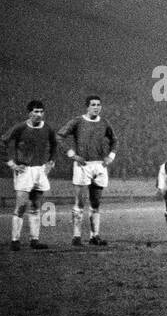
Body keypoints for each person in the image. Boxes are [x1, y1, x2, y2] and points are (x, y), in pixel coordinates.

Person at [57, 94, 118, 246]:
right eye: (93, 105)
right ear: (87, 106)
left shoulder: (104, 123)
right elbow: (59, 136)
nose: (96, 107)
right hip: (83, 165)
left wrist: (111, 156)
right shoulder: (77, 121)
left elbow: (115, 140)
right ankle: (76, 236)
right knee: (80, 202)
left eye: (98, 105)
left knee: (96, 202)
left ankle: (94, 235)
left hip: (99, 165)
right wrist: (72, 154)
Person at [4, 100, 57, 250]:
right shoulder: (20, 127)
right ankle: (15, 240)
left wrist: (51, 161)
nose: (39, 114)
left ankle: (34, 240)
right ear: (29, 113)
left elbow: (54, 144)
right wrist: (12, 163)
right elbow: (3, 142)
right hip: (24, 170)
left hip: (40, 170)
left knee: (36, 206)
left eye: (41, 111)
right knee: (21, 206)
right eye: (35, 111)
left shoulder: (47, 128)